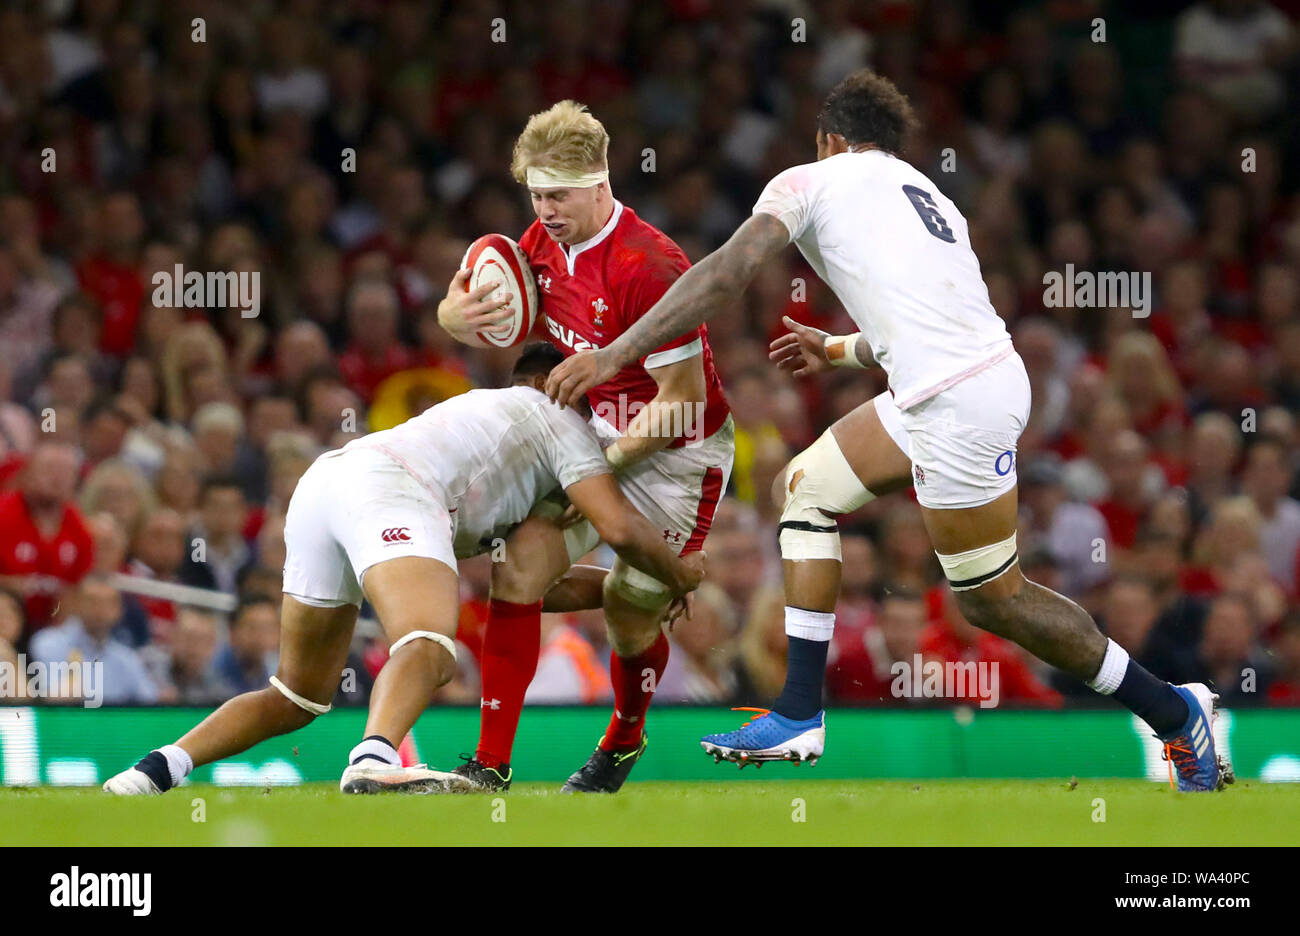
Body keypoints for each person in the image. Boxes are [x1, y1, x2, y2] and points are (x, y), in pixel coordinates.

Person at [546, 70, 1230, 792]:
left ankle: (1173, 711)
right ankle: (799, 713)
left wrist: (616, 351)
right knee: (804, 489)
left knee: (991, 598)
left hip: (954, 402)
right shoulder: (930, 198)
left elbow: (727, 272)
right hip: (962, 380)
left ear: (829, 139)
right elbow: (934, 323)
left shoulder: (809, 180)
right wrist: (839, 349)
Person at [102, 343, 703, 796]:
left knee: (296, 695)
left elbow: (528, 589)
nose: (595, 403)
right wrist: (676, 576)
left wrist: (626, 591)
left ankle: (157, 768)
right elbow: (619, 527)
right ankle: (374, 757)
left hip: (327, 486)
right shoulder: (556, 416)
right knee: (429, 646)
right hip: (391, 491)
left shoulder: (500, 435)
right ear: (548, 380)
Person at [435, 100, 733, 793]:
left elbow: (683, 397)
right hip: (598, 434)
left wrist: (601, 469)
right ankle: (490, 767)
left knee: (631, 617)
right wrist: (455, 317)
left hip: (678, 454)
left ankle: (624, 739)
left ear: (600, 184)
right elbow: (482, 307)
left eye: (560, 195)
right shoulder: (538, 245)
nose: (546, 210)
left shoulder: (649, 264)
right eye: (537, 195)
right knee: (515, 572)